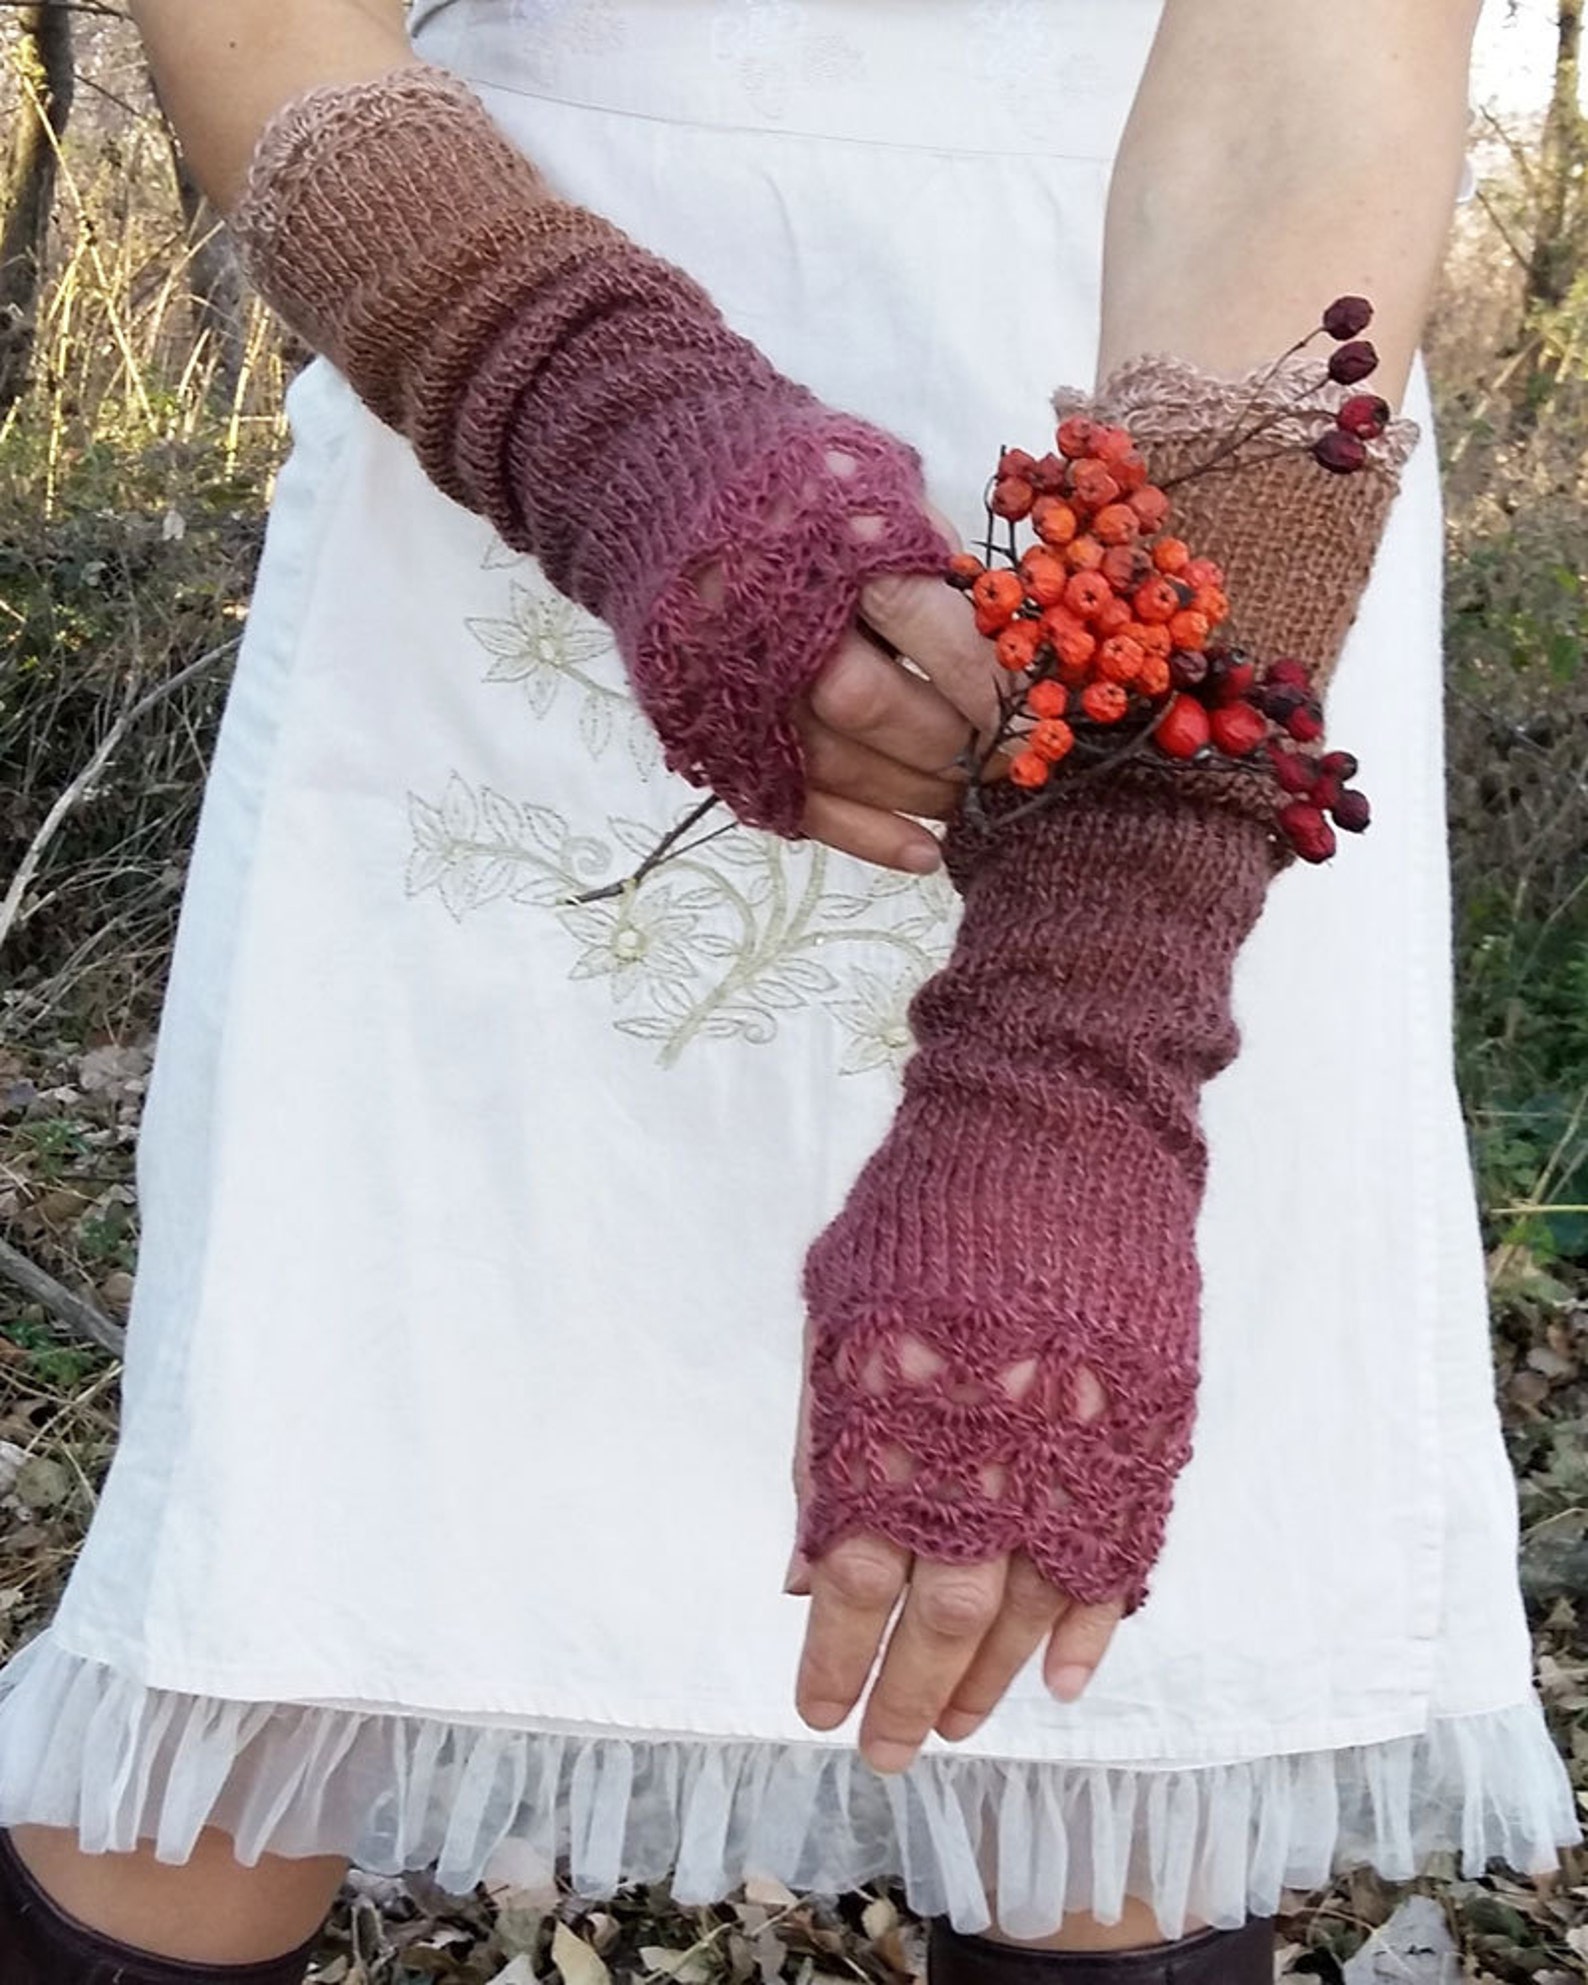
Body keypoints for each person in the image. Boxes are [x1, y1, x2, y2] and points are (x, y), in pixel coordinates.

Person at [0, 1, 1577, 1981]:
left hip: (1227, 476)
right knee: (269, 1599)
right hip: (496, 331)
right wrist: (615, 426)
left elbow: (1315, 58)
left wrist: (1085, 1018)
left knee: (1096, 1722)